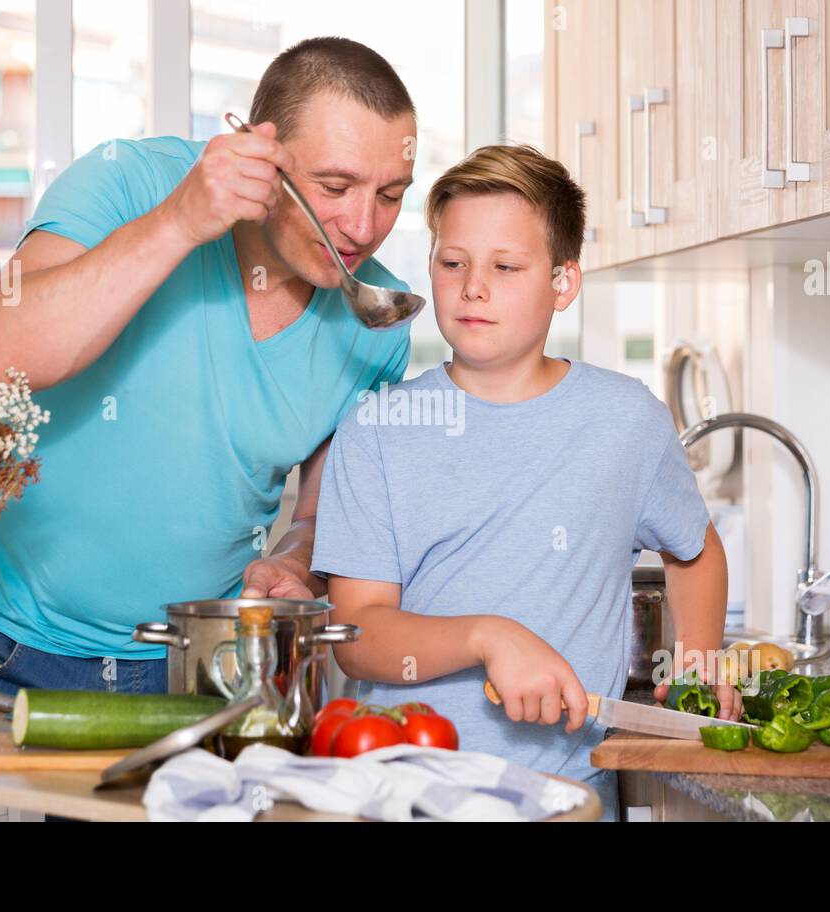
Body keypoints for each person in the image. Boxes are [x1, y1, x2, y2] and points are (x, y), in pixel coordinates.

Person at [0, 37, 418, 698]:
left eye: (391, 194)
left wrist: (296, 561)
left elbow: (319, 512)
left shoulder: (377, 324)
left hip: (197, 659)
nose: (363, 226)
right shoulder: (129, 181)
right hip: (9, 641)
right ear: (262, 154)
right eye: (335, 187)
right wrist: (179, 223)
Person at [310, 144, 739, 821]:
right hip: (404, 794)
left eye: (505, 267)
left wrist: (700, 669)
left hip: (566, 801)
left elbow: (696, 551)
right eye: (453, 263)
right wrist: (488, 637)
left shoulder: (626, 421)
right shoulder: (376, 429)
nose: (473, 286)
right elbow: (358, 635)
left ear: (563, 284)